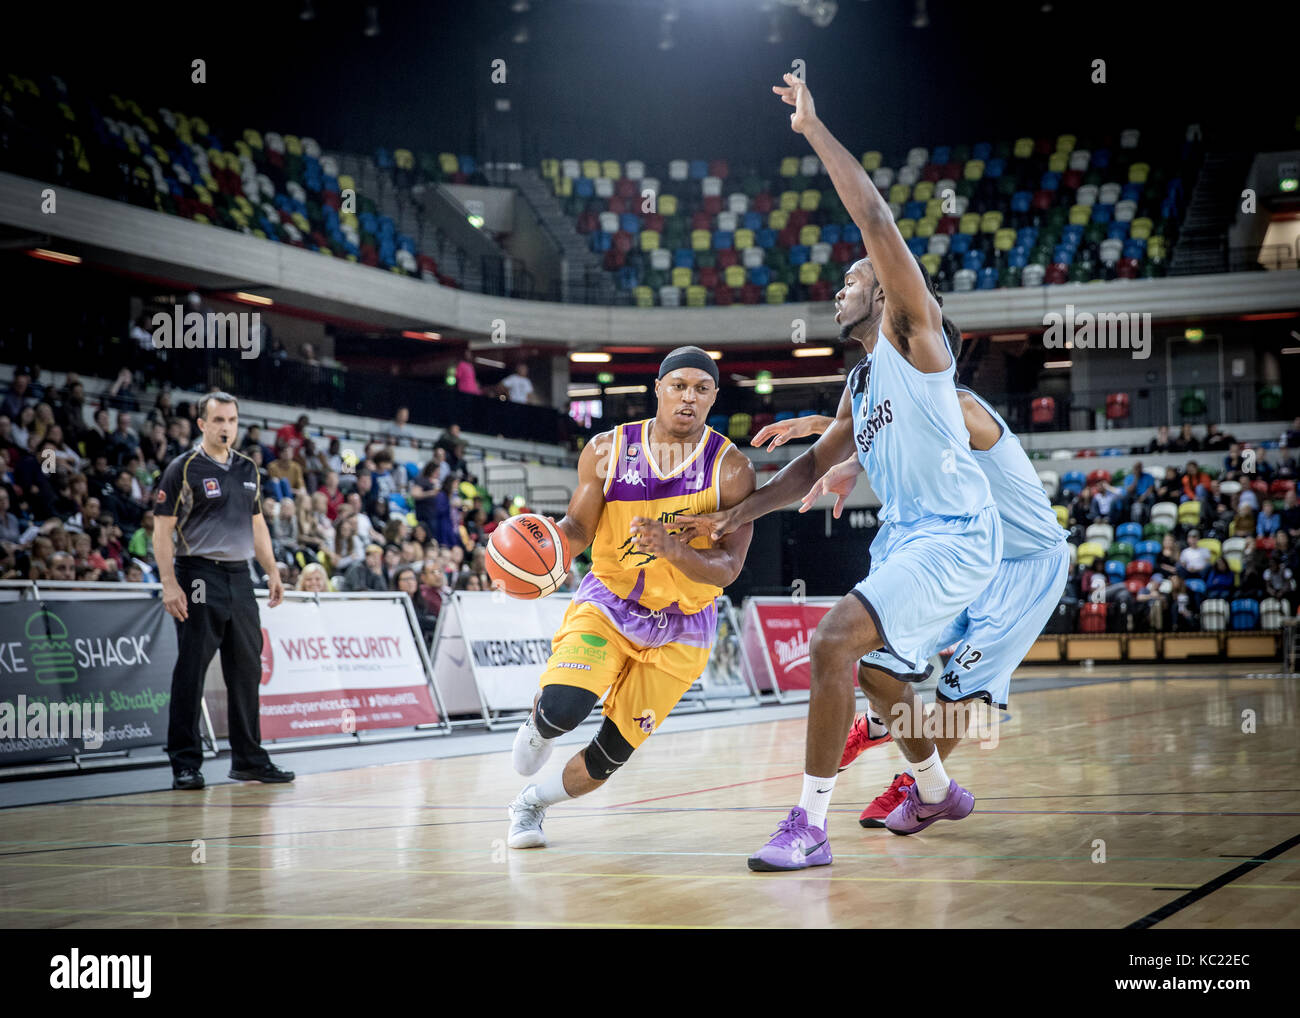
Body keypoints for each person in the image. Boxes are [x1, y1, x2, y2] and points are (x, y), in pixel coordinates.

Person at [676, 75, 1001, 870]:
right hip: (904, 539)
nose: (841, 286)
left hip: (956, 538)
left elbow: (875, 219)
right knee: (882, 682)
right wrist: (733, 517)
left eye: (853, 279)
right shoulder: (858, 385)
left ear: (885, 296)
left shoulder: (915, 341)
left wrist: (813, 129)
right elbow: (808, 468)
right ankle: (934, 790)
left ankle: (807, 827)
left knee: (830, 645)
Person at [749, 327, 1070, 829]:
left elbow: (912, 429)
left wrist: (849, 452)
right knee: (884, 657)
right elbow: (894, 428)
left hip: (1025, 567)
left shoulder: (959, 406)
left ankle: (920, 784)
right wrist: (842, 443)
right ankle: (880, 727)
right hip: (962, 554)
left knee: (959, 690)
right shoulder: (909, 411)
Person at [505, 345, 755, 851]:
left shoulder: (730, 470)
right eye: (679, 386)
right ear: (658, 389)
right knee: (563, 709)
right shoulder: (607, 451)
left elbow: (727, 570)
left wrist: (669, 548)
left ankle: (530, 804)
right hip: (610, 603)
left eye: (701, 389)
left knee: (607, 758)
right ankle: (541, 719)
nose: (689, 397)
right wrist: (544, 551)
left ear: (713, 398)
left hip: (684, 626)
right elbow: (577, 527)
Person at [153, 392, 293, 790]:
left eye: (231, 419)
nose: (225, 427)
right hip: (197, 574)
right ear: (202, 424)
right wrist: (169, 583)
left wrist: (272, 571)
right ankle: (184, 763)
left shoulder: (248, 468)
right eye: (217, 420)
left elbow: (258, 524)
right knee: (192, 669)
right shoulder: (183, 469)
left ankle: (249, 759)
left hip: (239, 576)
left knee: (247, 670)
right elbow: (161, 529)